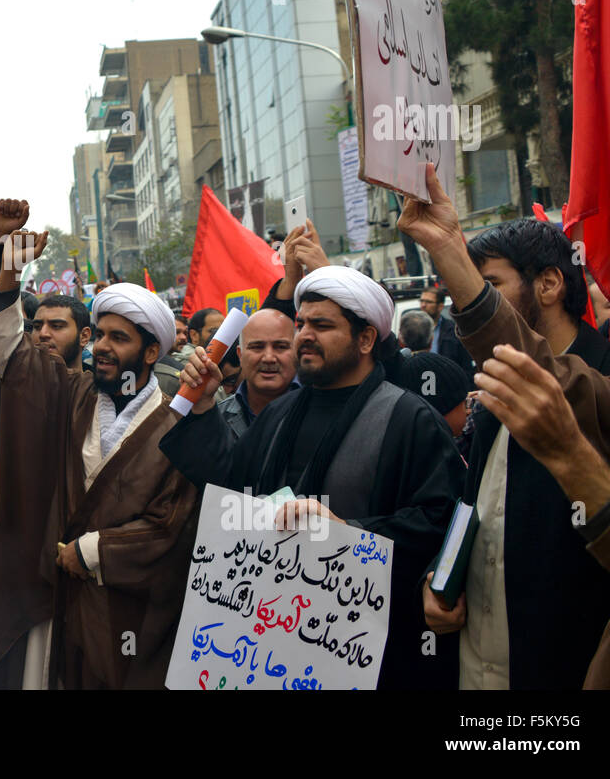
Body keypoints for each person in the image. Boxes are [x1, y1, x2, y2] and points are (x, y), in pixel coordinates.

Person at [160, 264, 460, 689]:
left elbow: (439, 526)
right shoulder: (282, 411)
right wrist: (206, 408)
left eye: (322, 325)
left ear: (366, 338)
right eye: (301, 324)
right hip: (273, 647)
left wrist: (348, 533)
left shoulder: (409, 418)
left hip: (365, 655)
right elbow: (232, 490)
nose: (304, 335)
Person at [400, 168, 610, 689]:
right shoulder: (495, 391)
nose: (475, 298)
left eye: (491, 286)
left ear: (548, 283)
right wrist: (437, 578)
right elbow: (472, 510)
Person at [0, 207, 199, 689]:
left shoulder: (177, 425)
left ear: (152, 351)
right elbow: (12, 353)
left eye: (119, 339)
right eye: (99, 335)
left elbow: (171, 526)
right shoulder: (70, 392)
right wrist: (8, 273)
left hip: (125, 608)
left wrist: (92, 550)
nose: (101, 347)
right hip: (56, 599)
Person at [217, 308, 298, 440]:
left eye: (281, 346)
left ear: (296, 352)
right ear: (240, 355)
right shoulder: (218, 418)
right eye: (257, 347)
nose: (269, 358)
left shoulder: (319, 408)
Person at [421, 287, 475, 377]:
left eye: (428, 302)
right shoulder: (414, 328)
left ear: (440, 306)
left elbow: (466, 366)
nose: (423, 305)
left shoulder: (454, 331)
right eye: (422, 301)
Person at [30, 294, 92, 370]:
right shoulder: (17, 379)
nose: (43, 334)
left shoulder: (101, 381)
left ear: (84, 336)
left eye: (56, 326)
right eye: (37, 327)